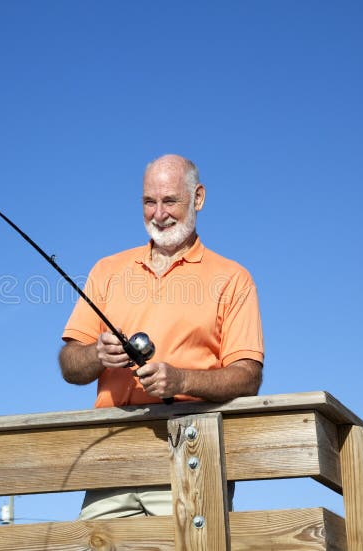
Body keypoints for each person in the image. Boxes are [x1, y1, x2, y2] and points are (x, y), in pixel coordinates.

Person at [58, 154, 264, 519]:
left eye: (170, 201)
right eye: (148, 202)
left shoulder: (234, 278)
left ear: (198, 198)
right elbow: (70, 364)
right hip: (110, 456)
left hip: (192, 449)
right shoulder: (107, 270)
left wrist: (181, 380)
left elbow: (248, 376)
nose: (158, 214)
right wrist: (97, 355)